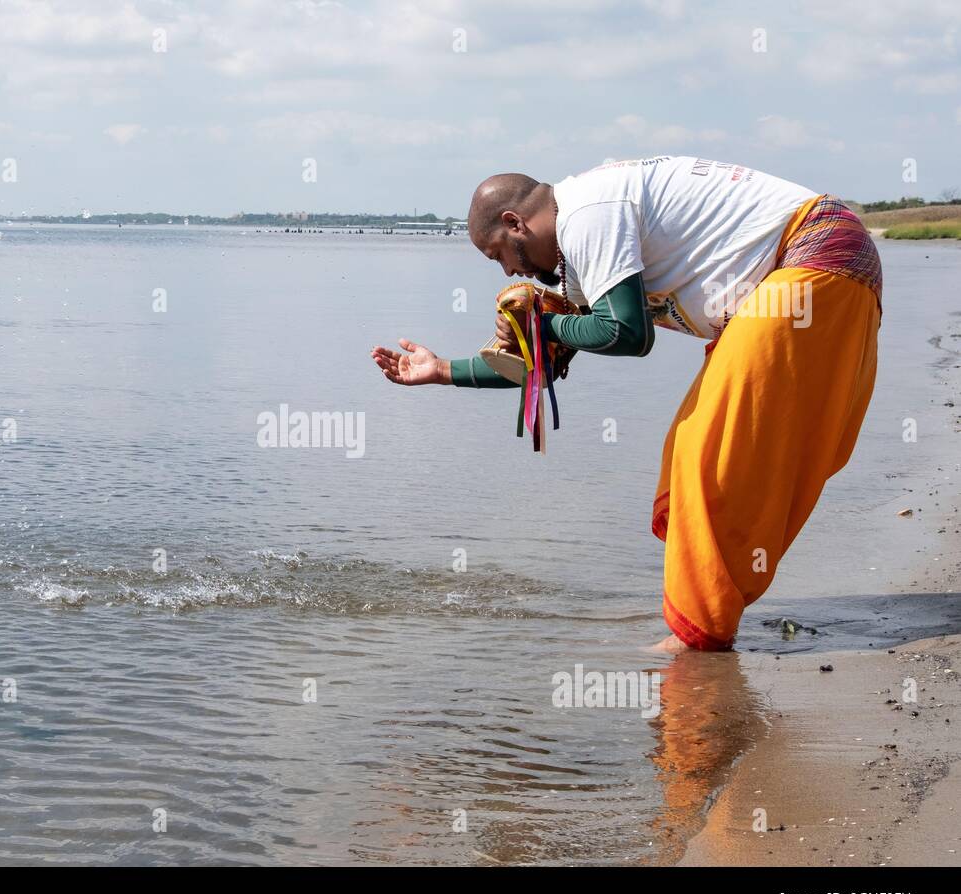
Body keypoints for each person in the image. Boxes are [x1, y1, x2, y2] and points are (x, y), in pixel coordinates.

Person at [370, 157, 882, 652]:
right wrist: (442, 372)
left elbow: (628, 334)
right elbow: (538, 362)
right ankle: (710, 613)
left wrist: (542, 324)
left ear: (515, 222)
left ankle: (699, 632)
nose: (507, 271)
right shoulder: (583, 244)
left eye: (498, 254)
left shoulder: (589, 214)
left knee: (709, 454)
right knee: (710, 454)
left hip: (815, 259)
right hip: (816, 270)